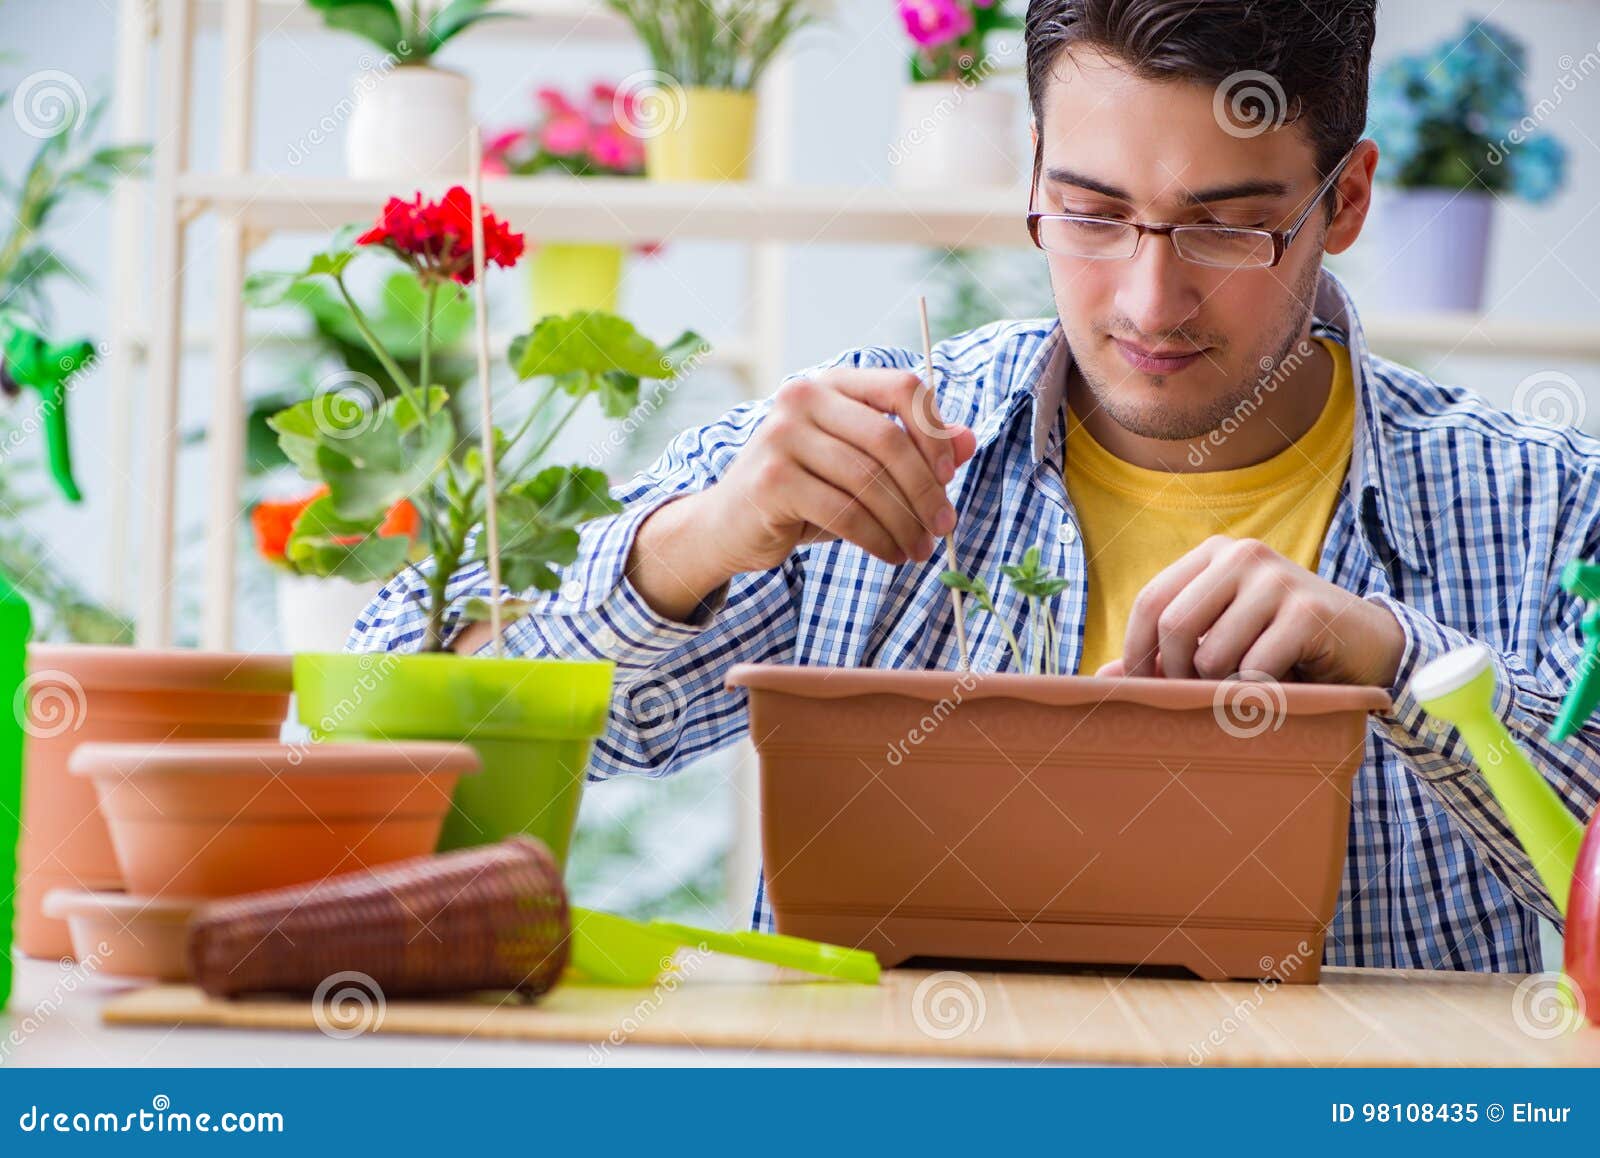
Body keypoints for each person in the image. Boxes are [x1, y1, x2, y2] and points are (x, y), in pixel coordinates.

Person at [351, 0, 1600, 973]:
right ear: (1030, 184)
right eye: (1091, 212)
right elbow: (390, 725)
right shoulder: (867, 440)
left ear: (1349, 199)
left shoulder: (1540, 503)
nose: (1147, 301)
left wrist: (1399, 666)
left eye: (1225, 227)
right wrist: (695, 543)